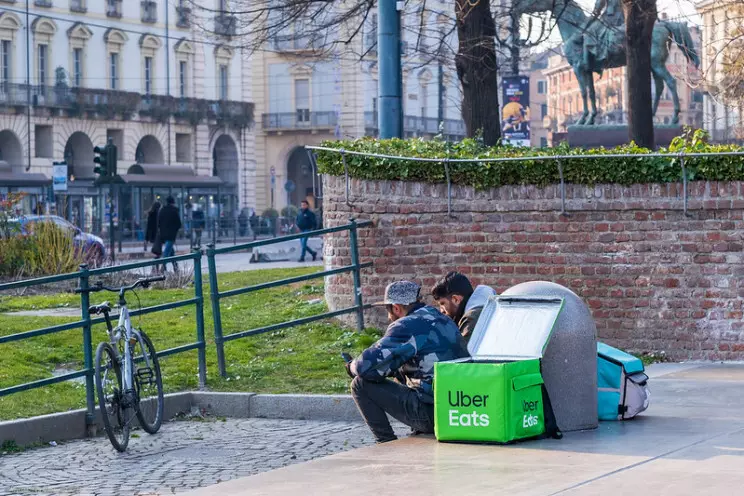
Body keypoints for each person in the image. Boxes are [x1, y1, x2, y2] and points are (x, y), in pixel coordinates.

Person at [347, 280, 470, 443]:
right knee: (402, 373)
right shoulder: (441, 318)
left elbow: (366, 366)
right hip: (460, 409)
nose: (389, 316)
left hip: (433, 414)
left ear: (396, 308)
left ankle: (385, 443)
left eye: (388, 310)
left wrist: (350, 366)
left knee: (360, 384)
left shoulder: (406, 325)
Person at [431, 272, 497, 344]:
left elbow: (462, 353)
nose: (441, 311)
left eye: (442, 304)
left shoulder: (472, 317)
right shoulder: (483, 309)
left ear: (456, 299)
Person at [157, 196, 182, 272]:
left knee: (171, 251)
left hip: (163, 234)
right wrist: (175, 229)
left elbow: (158, 223)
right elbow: (178, 224)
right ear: (173, 202)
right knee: (167, 251)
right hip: (171, 234)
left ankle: (175, 267)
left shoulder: (162, 210)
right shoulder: (174, 211)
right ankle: (163, 266)